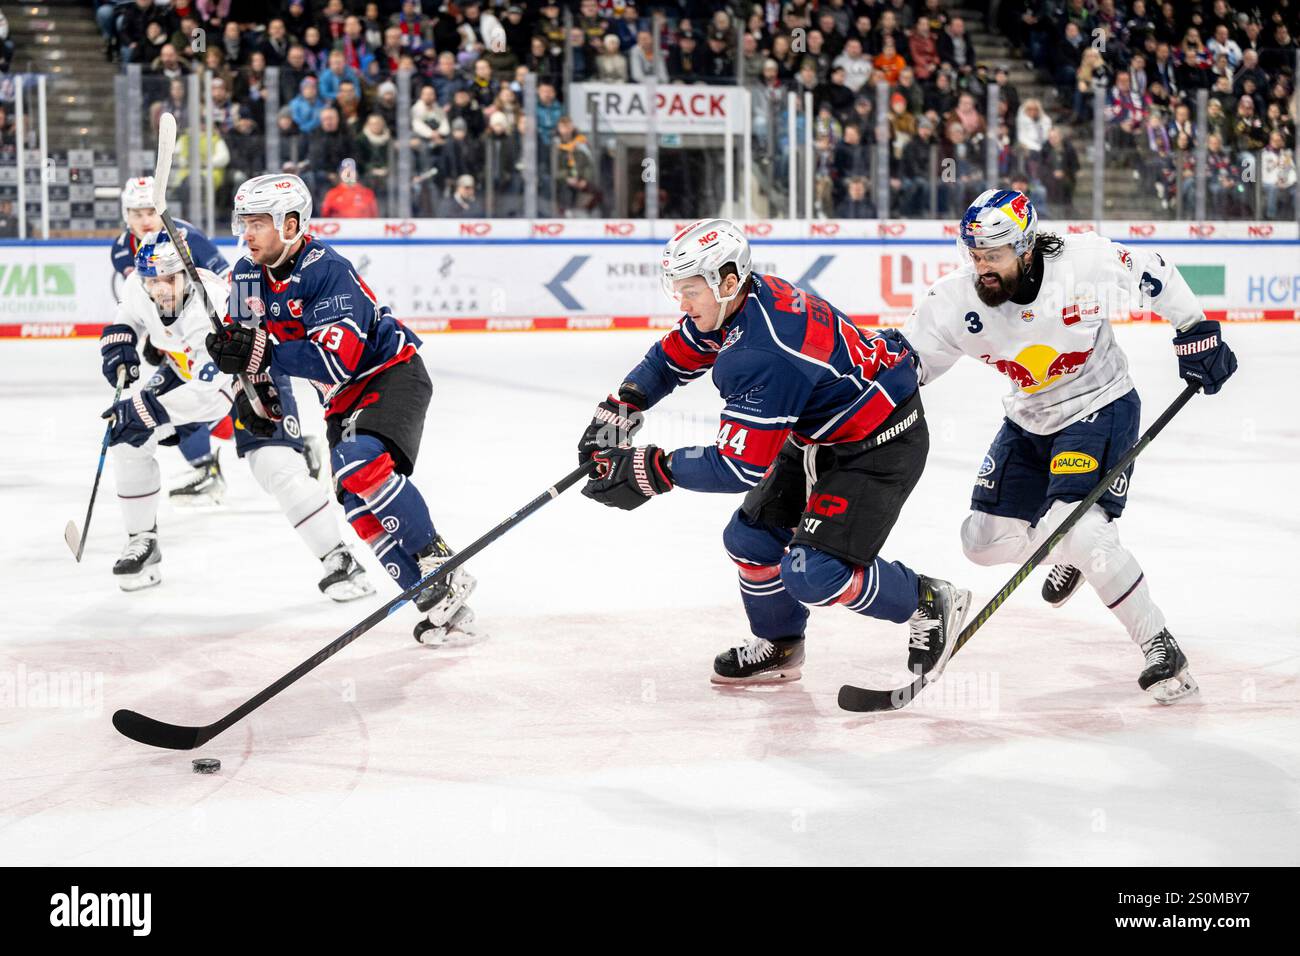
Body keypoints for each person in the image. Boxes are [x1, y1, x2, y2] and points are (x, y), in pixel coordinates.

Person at [576, 220, 970, 685]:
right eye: (677, 291)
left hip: (879, 440)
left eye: (690, 292)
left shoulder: (766, 350)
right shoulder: (743, 300)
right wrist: (624, 405)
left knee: (815, 573)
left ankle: (926, 598)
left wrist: (652, 470)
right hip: (822, 432)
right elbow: (674, 354)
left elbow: (738, 466)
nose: (682, 305)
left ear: (726, 281)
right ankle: (782, 645)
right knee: (751, 540)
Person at [902, 189, 1238, 703]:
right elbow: (910, 366)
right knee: (981, 541)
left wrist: (1196, 332)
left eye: (993, 255)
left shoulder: (1085, 264)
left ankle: (1160, 645)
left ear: (1027, 246)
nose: (981, 266)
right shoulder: (953, 299)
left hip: (1099, 404)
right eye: (974, 254)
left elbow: (1157, 273)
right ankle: (1076, 553)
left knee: (1075, 527)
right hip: (1027, 420)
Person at [206, 175, 479, 645]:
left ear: (291, 224)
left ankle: (439, 559)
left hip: (390, 376)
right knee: (354, 504)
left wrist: (262, 353)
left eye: (257, 224)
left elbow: (338, 360)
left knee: (360, 464)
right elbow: (246, 348)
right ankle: (440, 607)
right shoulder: (246, 275)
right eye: (243, 223)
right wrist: (248, 384)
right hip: (340, 400)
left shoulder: (325, 269)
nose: (245, 234)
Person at [100, 231, 373, 602]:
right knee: (126, 433)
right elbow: (129, 314)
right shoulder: (138, 284)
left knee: (273, 466)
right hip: (188, 369)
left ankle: (339, 559)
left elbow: (213, 398)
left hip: (249, 373)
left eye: (169, 279)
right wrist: (119, 343)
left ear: (186, 272)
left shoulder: (209, 307)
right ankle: (142, 543)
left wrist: (149, 409)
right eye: (153, 280)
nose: (160, 289)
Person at [111, 176, 239, 504]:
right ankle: (206, 468)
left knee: (203, 400)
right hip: (175, 341)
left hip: (204, 336)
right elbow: (138, 297)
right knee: (175, 401)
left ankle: (289, 445)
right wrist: (147, 336)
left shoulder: (186, 236)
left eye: (150, 211)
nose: (144, 220)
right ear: (126, 215)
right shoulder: (122, 249)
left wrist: (239, 331)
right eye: (136, 213)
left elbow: (228, 282)